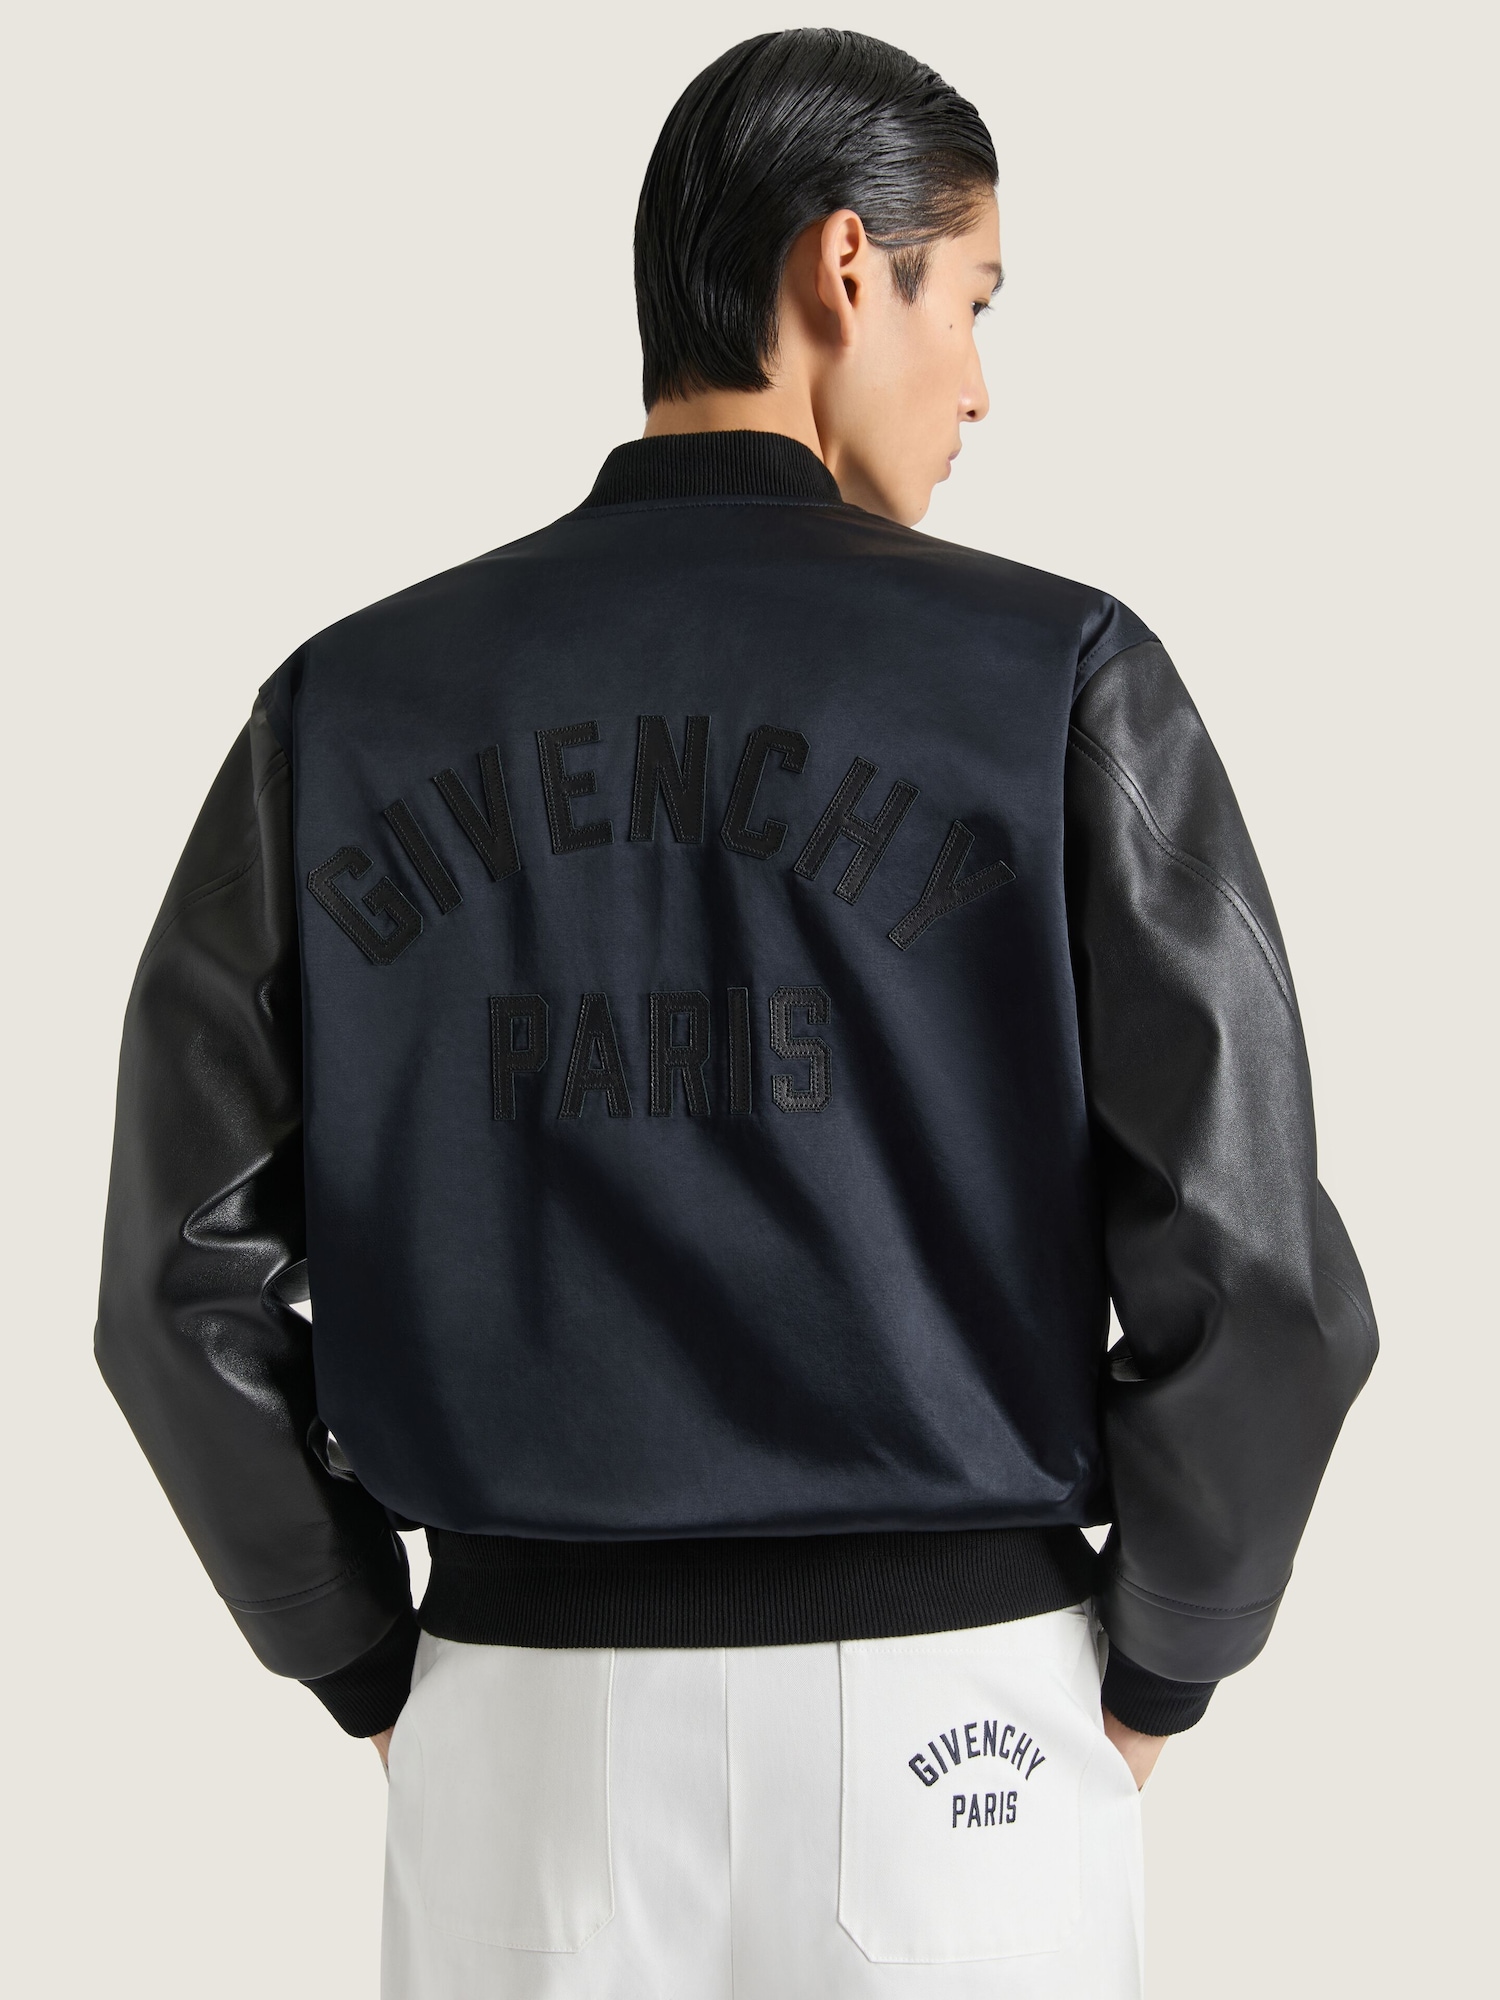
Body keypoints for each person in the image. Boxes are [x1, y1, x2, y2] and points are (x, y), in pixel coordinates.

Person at [96, 27, 1377, 1999]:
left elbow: (174, 1283)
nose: (981, 383)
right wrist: (1165, 1660)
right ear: (844, 268)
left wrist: (352, 1647)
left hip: (522, 1722)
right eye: (972, 299)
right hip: (966, 1732)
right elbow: (1257, 1265)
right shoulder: (1056, 674)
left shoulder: (350, 706)